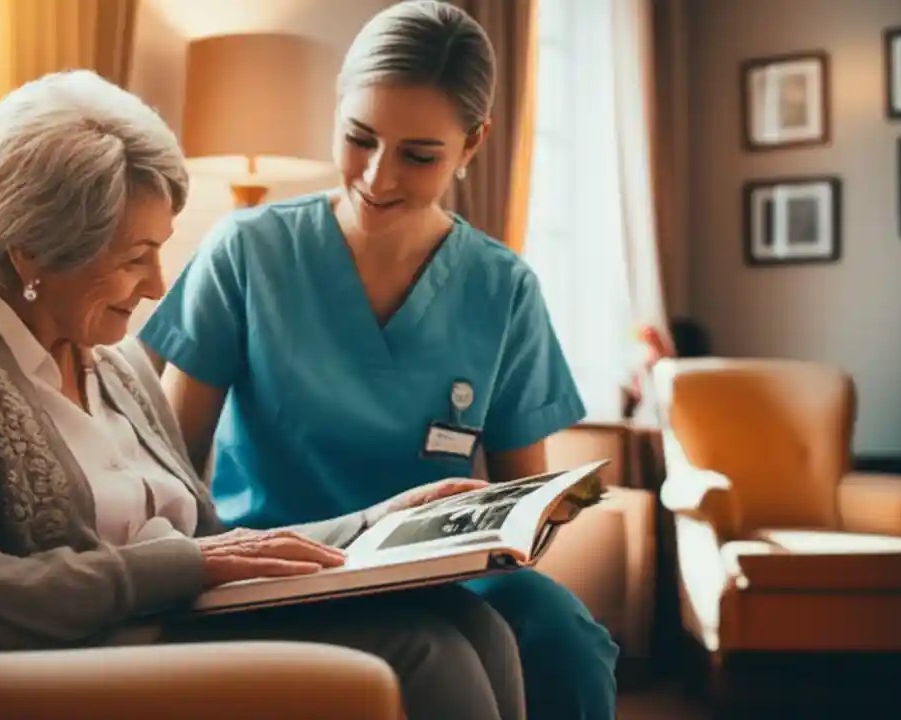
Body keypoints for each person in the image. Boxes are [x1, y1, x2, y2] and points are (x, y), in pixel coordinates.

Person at [0, 69, 525, 720]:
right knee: (423, 651)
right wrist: (168, 569)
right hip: (85, 659)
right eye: (133, 258)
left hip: (181, 626)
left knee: (477, 626)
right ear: (31, 254)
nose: (157, 284)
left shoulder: (117, 366)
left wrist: (378, 522)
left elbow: (216, 548)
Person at [139, 2, 620, 718]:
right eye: (359, 138)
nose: (377, 175)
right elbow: (169, 471)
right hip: (276, 559)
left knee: (564, 636)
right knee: (441, 649)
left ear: (472, 144)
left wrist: (512, 525)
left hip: (428, 569)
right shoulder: (248, 253)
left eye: (418, 155)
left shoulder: (503, 289)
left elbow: (522, 509)